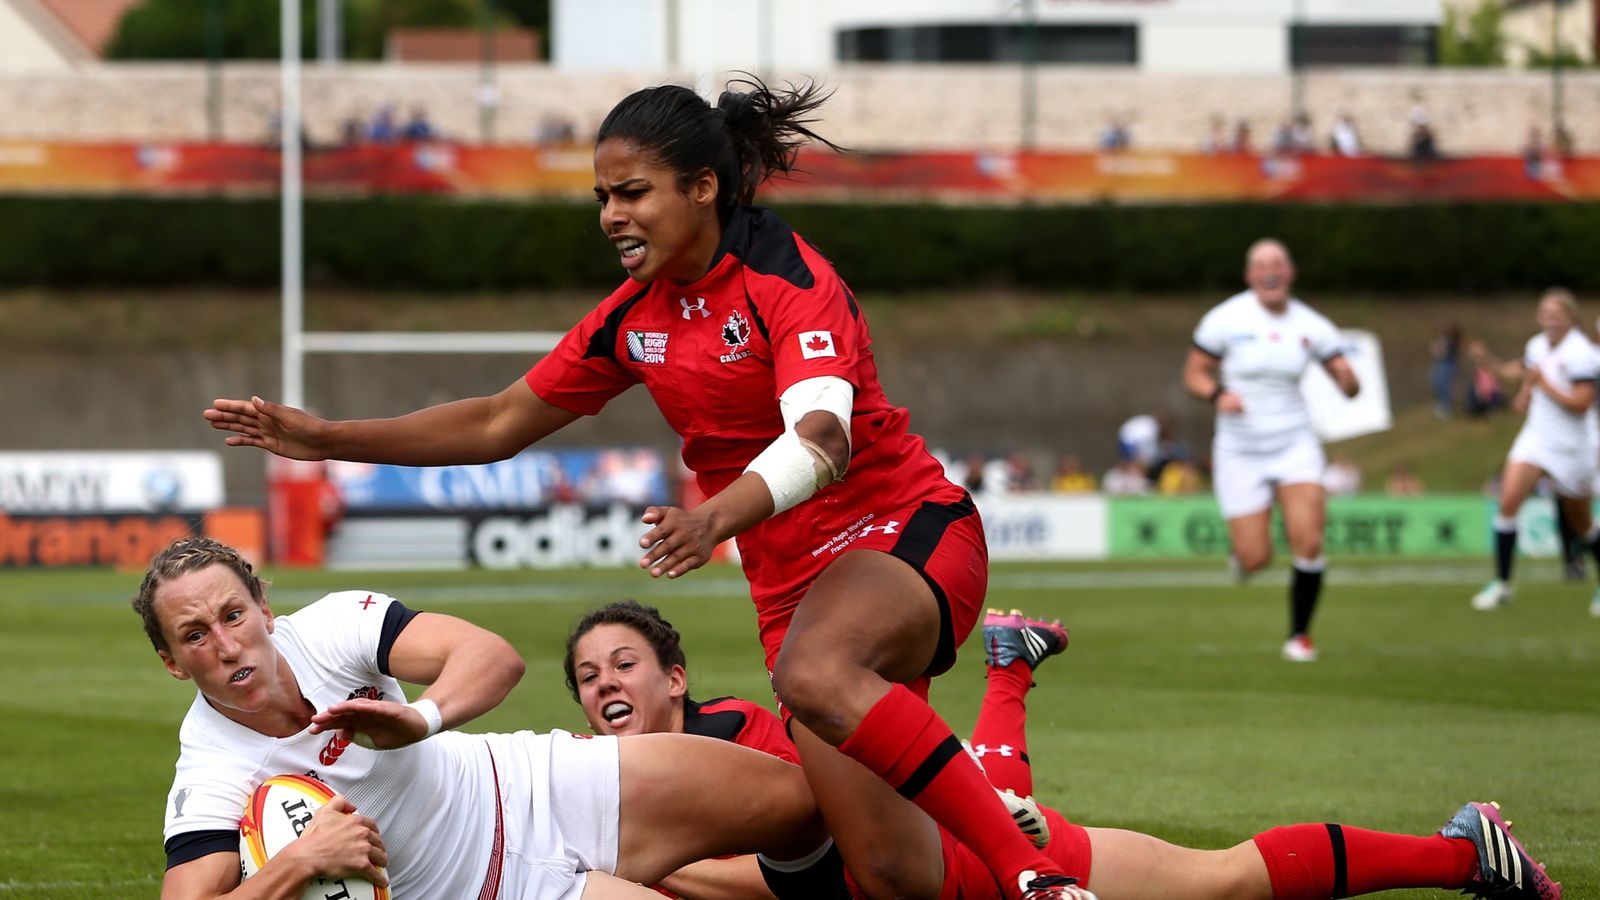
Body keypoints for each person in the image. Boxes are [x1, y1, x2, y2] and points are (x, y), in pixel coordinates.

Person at [205, 77, 1077, 899]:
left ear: (702, 188)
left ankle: (1037, 875)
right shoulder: (635, 315)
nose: (612, 216)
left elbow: (823, 439)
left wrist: (713, 518)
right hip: (792, 587)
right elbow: (497, 423)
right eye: (602, 198)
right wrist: (327, 440)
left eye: (632, 192)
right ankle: (1002, 774)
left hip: (904, 533)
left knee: (817, 672)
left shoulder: (787, 279)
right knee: (893, 873)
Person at [565, 599, 1563, 900]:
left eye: (624, 664)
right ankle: (1010, 667)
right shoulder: (590, 792)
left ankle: (1466, 852)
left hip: (964, 870)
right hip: (955, 869)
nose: (607, 683)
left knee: (1221, 883)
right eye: (588, 676)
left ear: (676, 680)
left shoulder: (737, 734)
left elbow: (874, 771)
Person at [137, 538, 829, 900]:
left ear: (263, 607)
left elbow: (490, 656)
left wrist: (424, 717)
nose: (228, 646)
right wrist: (299, 863)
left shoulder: (329, 629)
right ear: (172, 663)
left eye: (233, 615)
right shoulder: (211, 771)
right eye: (195, 635)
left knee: (799, 805)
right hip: (500, 893)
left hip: (531, 784)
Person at [1182, 239, 1360, 663]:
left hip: (1295, 441)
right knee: (1255, 557)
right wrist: (1217, 393)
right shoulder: (1225, 318)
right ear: (1250, 275)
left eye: (1278, 262)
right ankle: (1243, 559)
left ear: (1291, 271)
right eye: (1262, 265)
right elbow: (1194, 372)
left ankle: (1300, 635)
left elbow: (1346, 378)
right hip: (1240, 447)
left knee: (1309, 541)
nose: (1271, 271)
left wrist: (1348, 381)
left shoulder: (1313, 325)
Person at [1470, 288, 1600, 617]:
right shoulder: (1536, 345)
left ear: (1571, 318)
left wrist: (1542, 385)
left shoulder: (1582, 354)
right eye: (1545, 312)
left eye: (1556, 314)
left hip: (1572, 447)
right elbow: (1524, 372)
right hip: (1536, 437)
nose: (1549, 319)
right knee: (1508, 502)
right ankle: (1502, 583)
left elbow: (1582, 405)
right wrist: (1501, 372)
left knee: (1582, 522)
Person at [1430, 323, 1461, 419]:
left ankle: (1445, 408)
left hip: (1446, 366)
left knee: (1444, 386)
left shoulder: (1450, 342)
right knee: (1438, 384)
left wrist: (1437, 347)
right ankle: (1443, 405)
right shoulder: (1450, 342)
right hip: (1444, 365)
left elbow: (1440, 354)